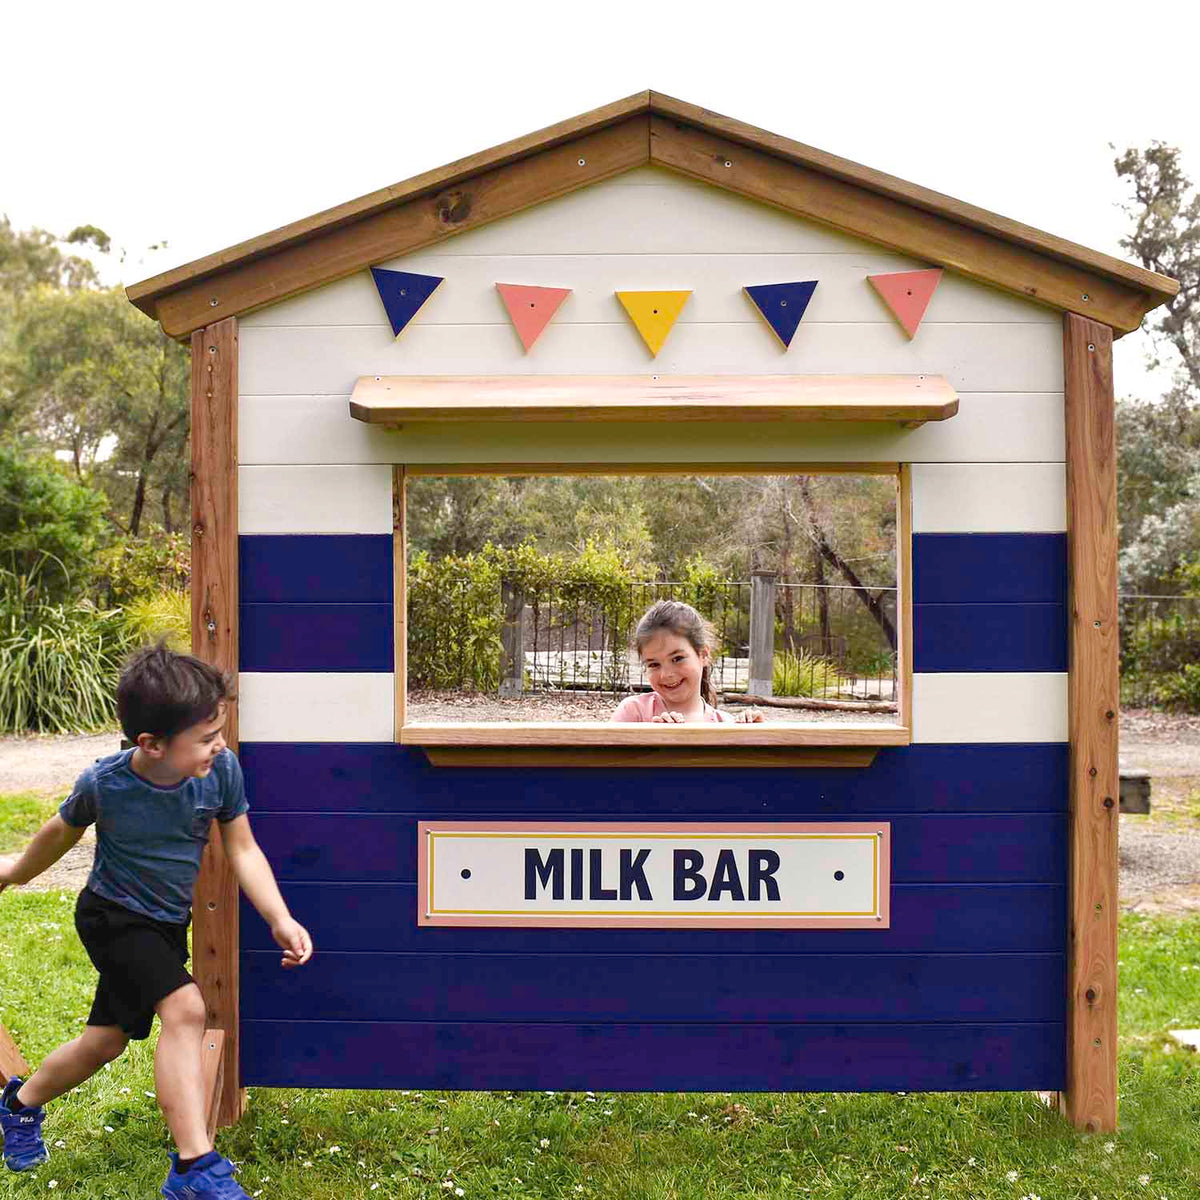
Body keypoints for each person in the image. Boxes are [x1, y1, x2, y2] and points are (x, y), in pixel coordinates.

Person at [0, 644, 312, 1199]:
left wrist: (279, 917)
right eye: (206, 738)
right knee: (186, 1008)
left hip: (165, 925)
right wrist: (15, 873)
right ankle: (194, 1167)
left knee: (105, 1042)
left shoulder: (220, 773)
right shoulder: (106, 783)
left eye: (220, 732)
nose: (220, 746)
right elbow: (59, 832)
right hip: (111, 916)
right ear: (151, 744)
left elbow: (242, 850)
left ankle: (19, 1105)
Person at [612, 599, 763, 724]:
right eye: (654, 664)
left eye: (677, 659)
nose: (666, 674)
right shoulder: (633, 713)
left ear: (703, 655)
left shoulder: (725, 724)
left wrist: (757, 737)